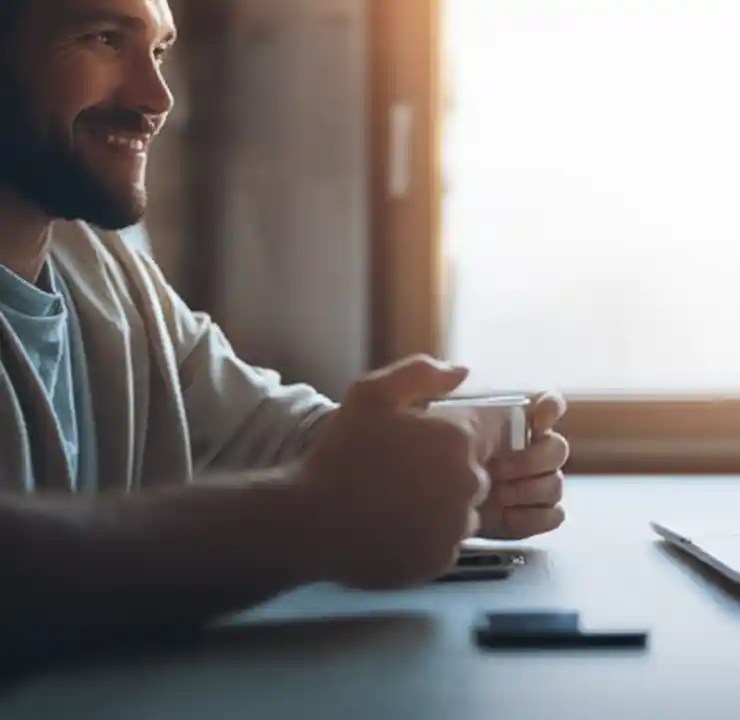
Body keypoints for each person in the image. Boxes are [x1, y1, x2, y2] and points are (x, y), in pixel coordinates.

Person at [0, 0, 570, 640]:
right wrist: (317, 517)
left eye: (159, 51)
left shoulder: (99, 265)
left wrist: (442, 465)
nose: (157, 98)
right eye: (104, 39)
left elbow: (264, 430)